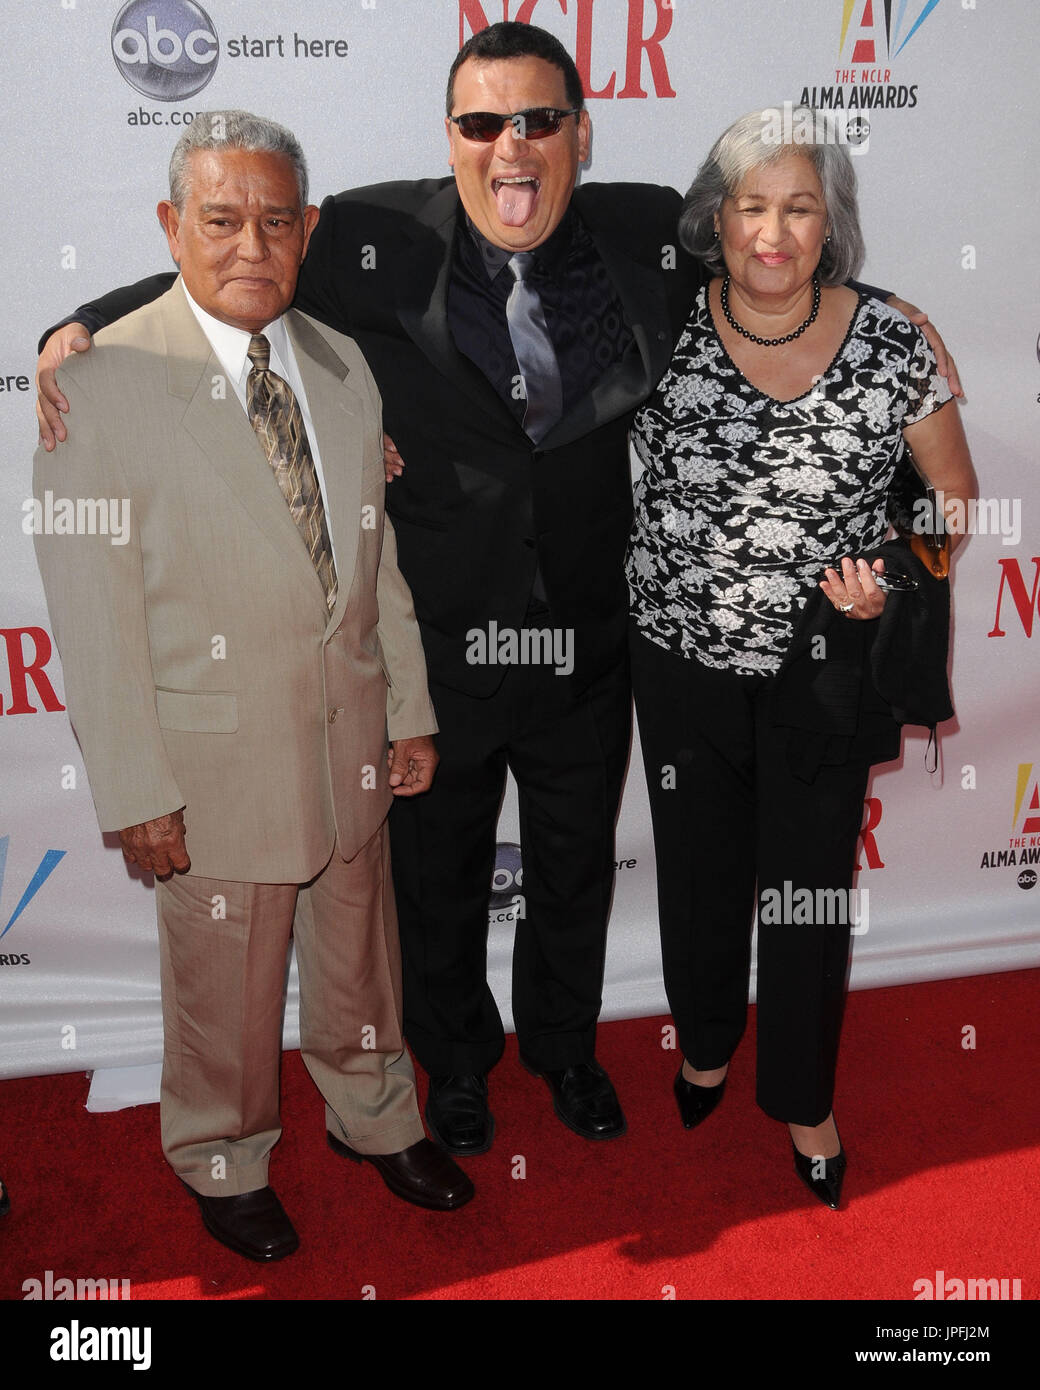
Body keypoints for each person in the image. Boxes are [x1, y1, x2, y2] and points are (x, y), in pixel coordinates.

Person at [34, 24, 957, 1158]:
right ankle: (455, 1066)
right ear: (451, 136)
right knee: (435, 881)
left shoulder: (640, 234)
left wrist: (883, 312)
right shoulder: (369, 235)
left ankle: (564, 1050)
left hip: (590, 641)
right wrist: (77, 331)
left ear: (578, 130)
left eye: (536, 120)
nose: (509, 147)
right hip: (435, 647)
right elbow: (230, 265)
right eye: (482, 123)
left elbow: (773, 259)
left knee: (572, 867)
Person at [32, 111, 473, 1262]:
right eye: (220, 220)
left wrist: (410, 707)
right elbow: (92, 618)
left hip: (351, 739)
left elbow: (375, 565)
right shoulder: (104, 382)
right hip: (208, 763)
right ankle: (223, 1155)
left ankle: (376, 1118)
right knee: (223, 988)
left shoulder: (338, 362)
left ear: (309, 230)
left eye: (276, 221)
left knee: (357, 955)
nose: (250, 245)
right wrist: (136, 786)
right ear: (171, 227)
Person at [626, 108, 975, 1207]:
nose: (770, 232)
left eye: (798, 207)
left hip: (823, 667)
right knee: (695, 866)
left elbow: (952, 502)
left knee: (807, 892)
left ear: (830, 225)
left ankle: (804, 1094)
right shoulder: (655, 317)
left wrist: (896, 568)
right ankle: (705, 1043)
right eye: (748, 206)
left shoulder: (888, 339)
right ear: (712, 219)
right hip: (676, 657)